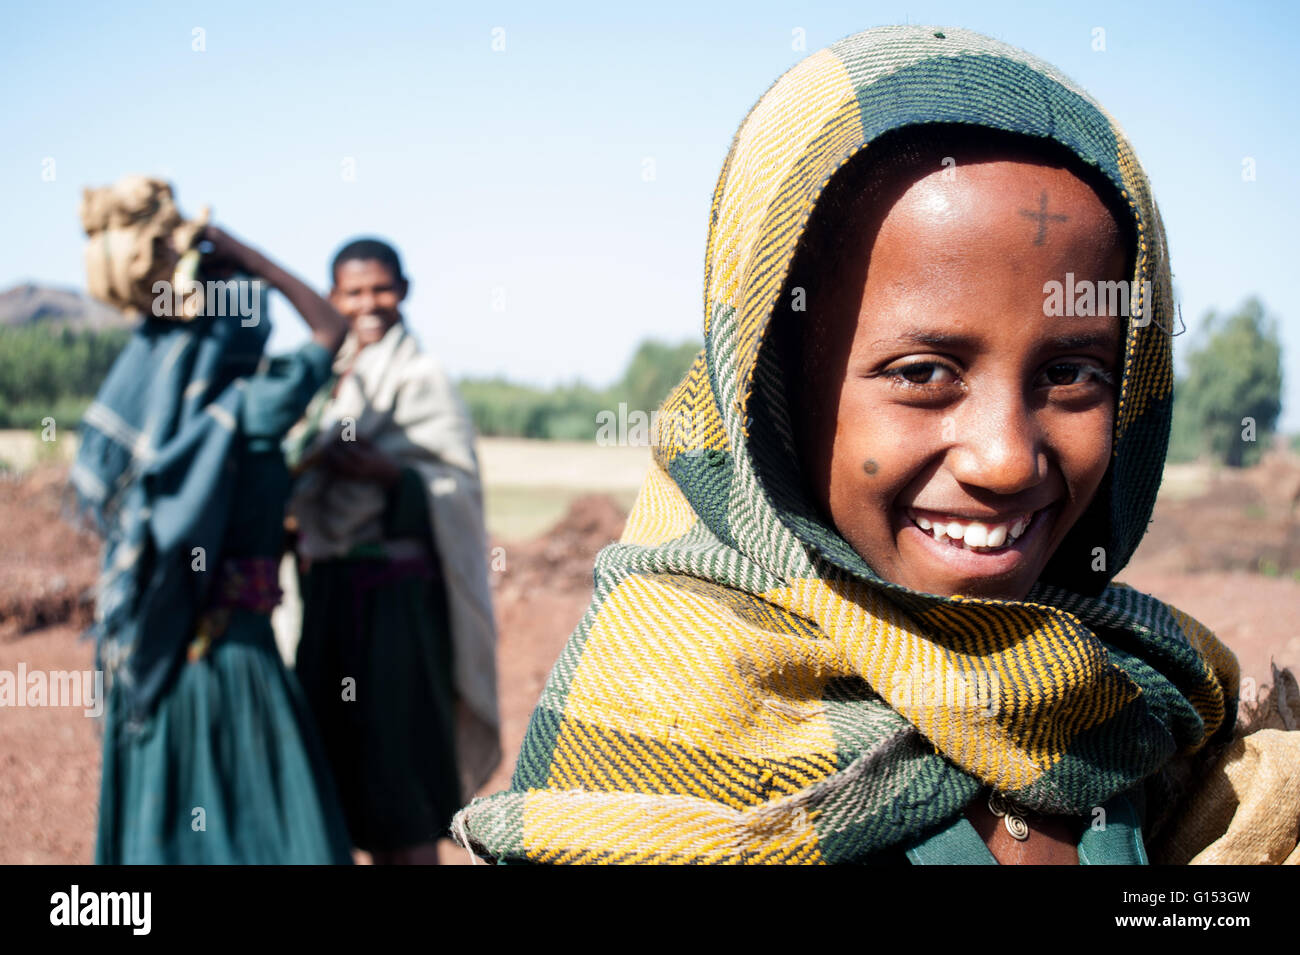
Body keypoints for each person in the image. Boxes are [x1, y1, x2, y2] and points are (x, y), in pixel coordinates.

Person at [452, 25, 1298, 865]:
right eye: (924, 372)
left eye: (1072, 373)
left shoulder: (1136, 700)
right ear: (775, 387)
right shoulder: (647, 728)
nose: (1005, 459)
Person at [72, 178, 354, 863]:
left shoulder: (138, 411)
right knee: (273, 836)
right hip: (235, 664)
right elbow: (330, 328)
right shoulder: (254, 406)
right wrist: (247, 254)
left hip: (155, 662)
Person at [287, 238, 500, 865]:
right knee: (331, 774)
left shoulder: (421, 378)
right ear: (332, 298)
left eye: (380, 289)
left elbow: (456, 489)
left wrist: (392, 478)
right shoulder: (326, 378)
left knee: (397, 784)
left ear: (403, 291)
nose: (368, 303)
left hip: (397, 613)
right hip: (325, 601)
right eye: (353, 292)